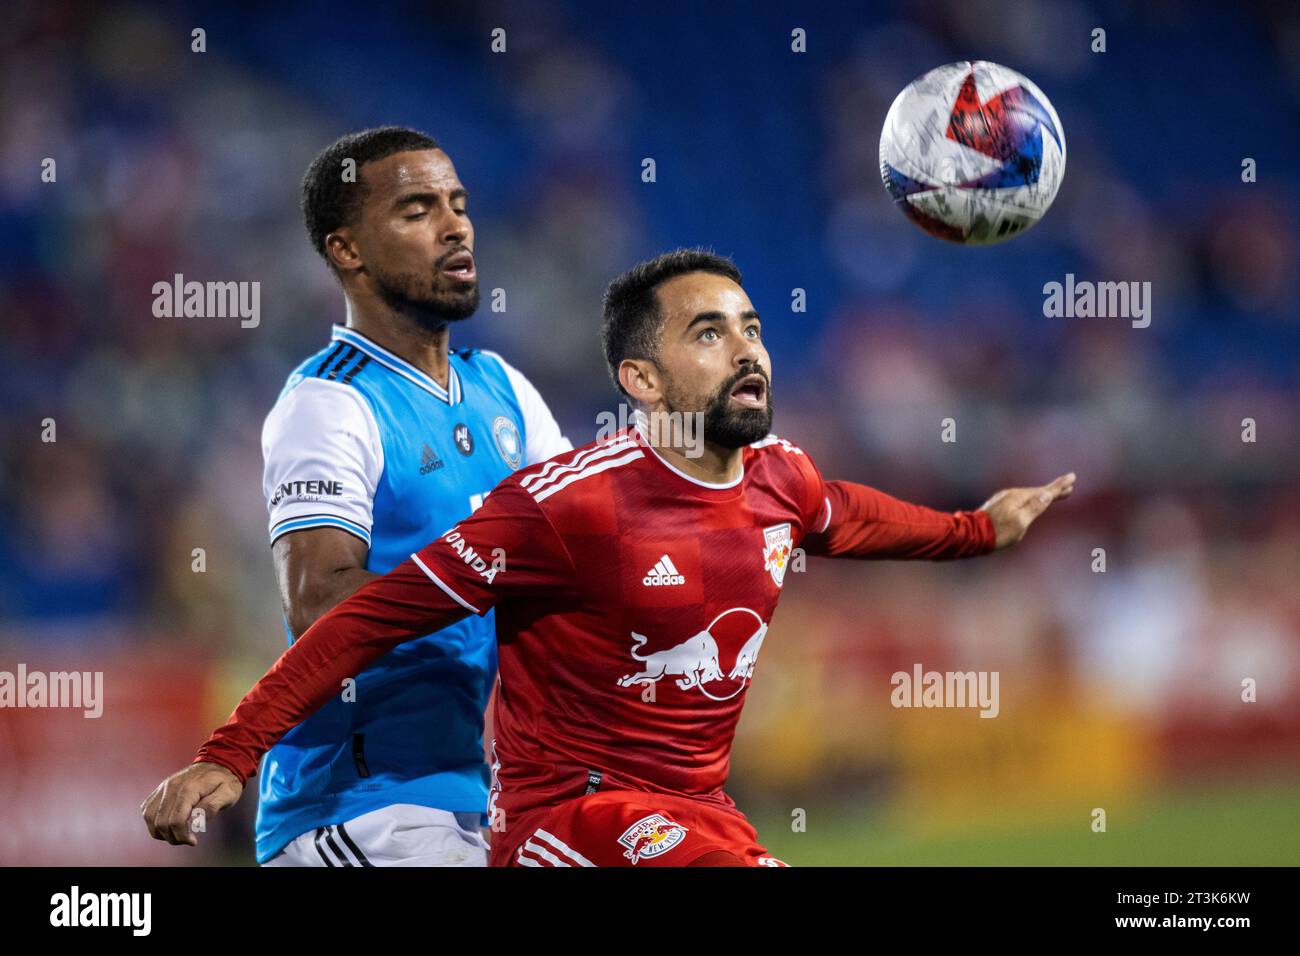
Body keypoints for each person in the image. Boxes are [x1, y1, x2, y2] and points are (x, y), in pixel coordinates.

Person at [142, 248, 1073, 866]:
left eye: (751, 326)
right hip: (570, 819)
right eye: (709, 333)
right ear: (641, 380)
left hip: (699, 812)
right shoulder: (566, 509)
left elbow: (858, 518)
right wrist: (231, 755)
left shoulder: (782, 480)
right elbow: (367, 620)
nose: (748, 350)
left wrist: (982, 529)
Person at [238, 126, 568, 867]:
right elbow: (320, 601)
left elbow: (582, 553)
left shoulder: (504, 390)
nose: (455, 227)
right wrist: (485, 583)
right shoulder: (328, 402)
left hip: (465, 796)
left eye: (458, 204)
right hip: (357, 806)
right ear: (347, 250)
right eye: (417, 210)